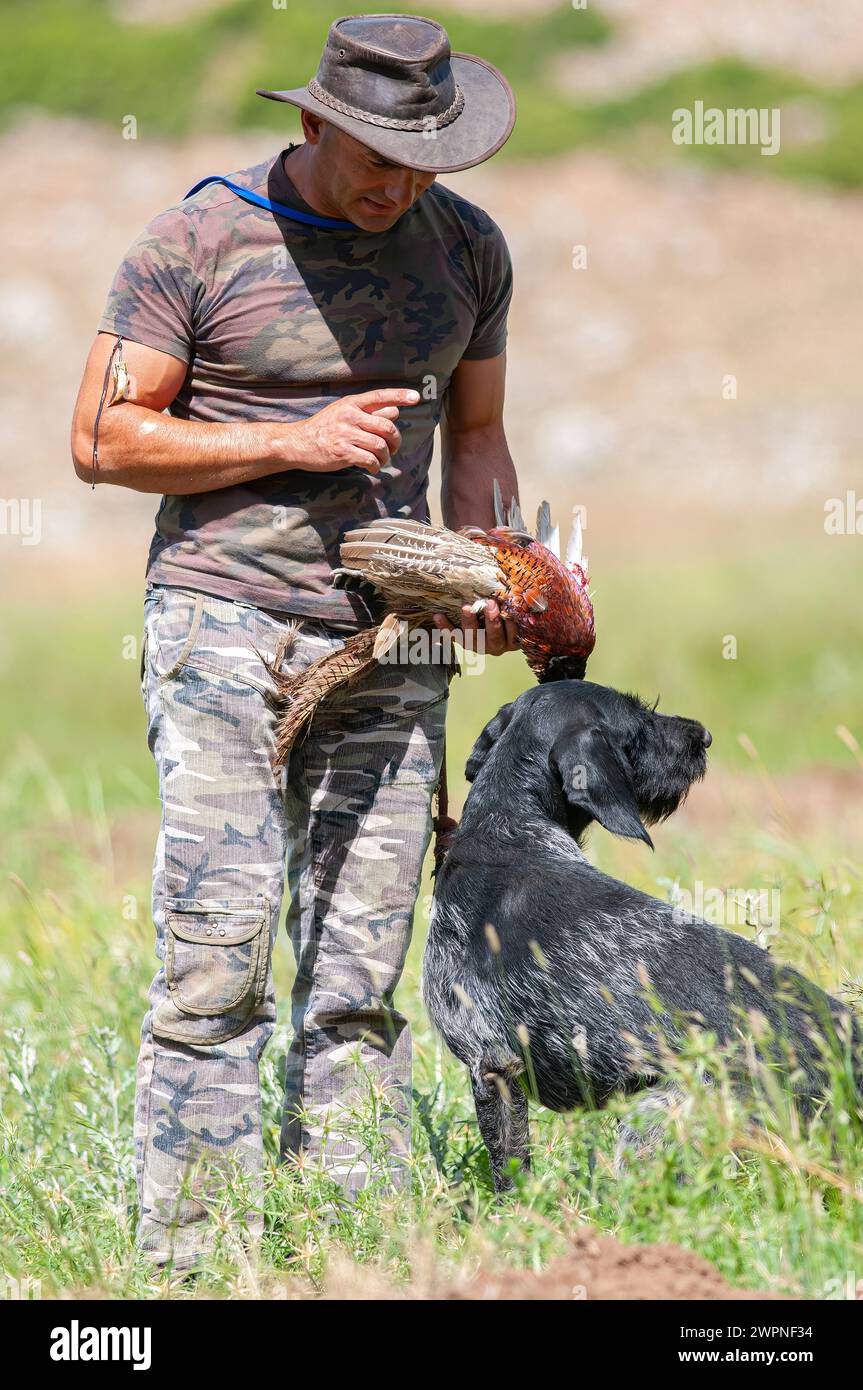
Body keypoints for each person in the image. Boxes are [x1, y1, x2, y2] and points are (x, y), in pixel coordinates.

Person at [70, 12, 520, 1272]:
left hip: (393, 648)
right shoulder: (194, 240)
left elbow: (475, 440)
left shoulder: (468, 250)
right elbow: (102, 439)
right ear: (312, 121)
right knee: (217, 967)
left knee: (360, 978)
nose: (400, 183)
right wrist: (296, 438)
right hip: (221, 626)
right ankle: (190, 1268)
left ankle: (350, 1257)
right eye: (376, 153)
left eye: (424, 158)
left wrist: (489, 566)